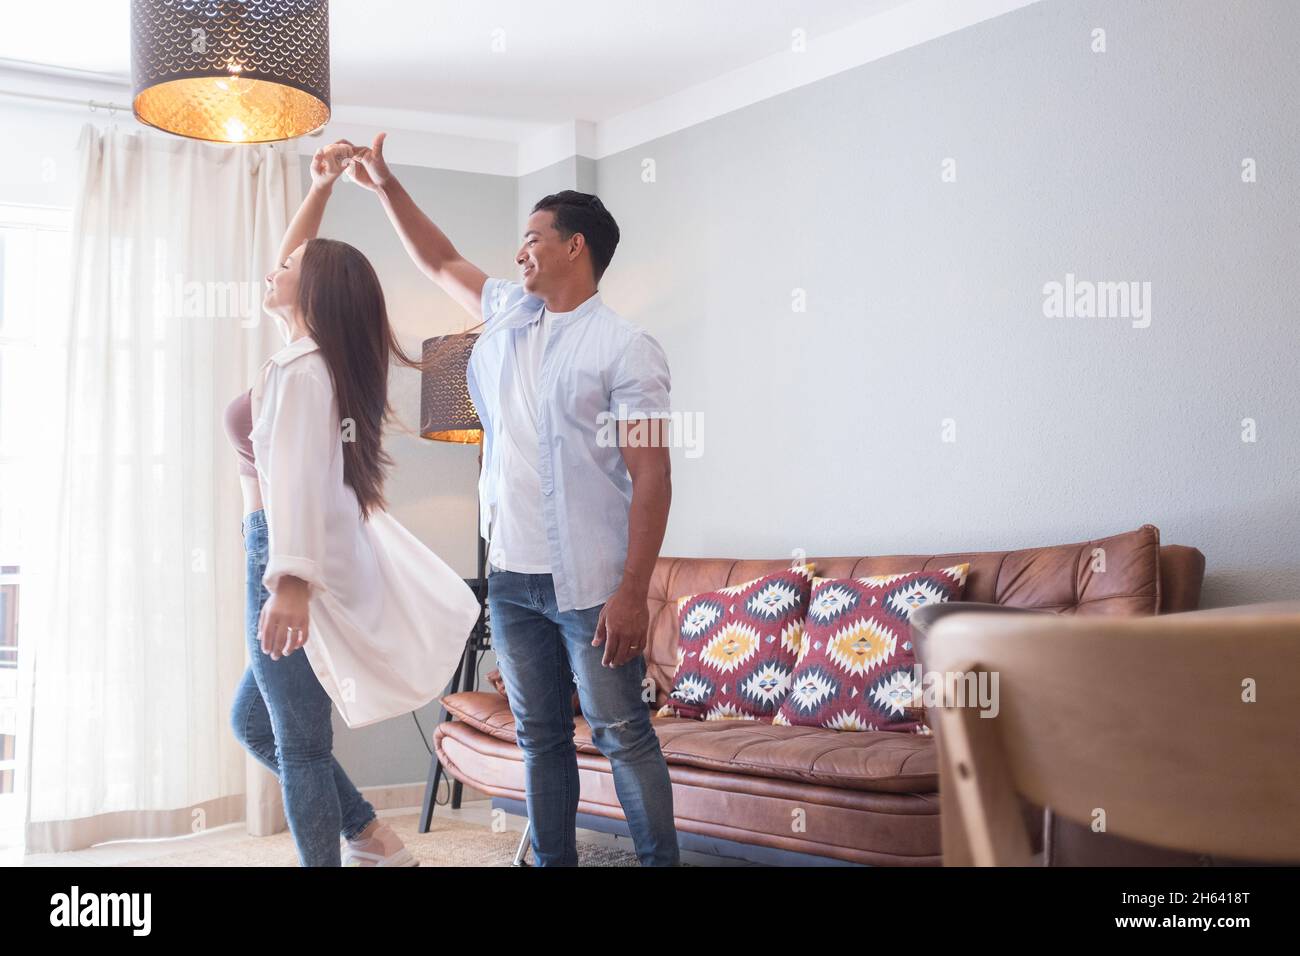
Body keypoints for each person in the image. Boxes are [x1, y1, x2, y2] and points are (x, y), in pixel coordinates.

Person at [340, 132, 680, 866]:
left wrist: (633, 594)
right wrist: (384, 185)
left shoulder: (627, 349)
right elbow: (437, 259)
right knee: (540, 737)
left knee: (622, 733)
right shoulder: (503, 315)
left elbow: (652, 477)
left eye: (532, 239)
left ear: (575, 247)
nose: (519, 252)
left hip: (590, 584)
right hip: (512, 579)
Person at [223, 143, 482, 866]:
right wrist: (321, 187)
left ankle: (352, 849)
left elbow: (302, 481)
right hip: (274, 545)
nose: (274, 269)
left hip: (281, 552)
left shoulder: (305, 370)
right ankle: (373, 835)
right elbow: (294, 256)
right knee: (255, 720)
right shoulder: (309, 351)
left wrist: (290, 583)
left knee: (300, 743)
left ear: (313, 294)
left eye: (287, 270)